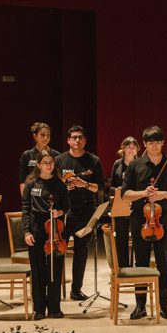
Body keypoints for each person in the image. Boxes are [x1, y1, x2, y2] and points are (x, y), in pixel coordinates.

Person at [121, 127, 167, 320]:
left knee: (164, 262)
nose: (154, 146)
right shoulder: (135, 165)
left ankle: (164, 305)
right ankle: (140, 306)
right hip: (140, 220)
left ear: (163, 143)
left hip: (164, 220)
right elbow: (125, 194)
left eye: (157, 142)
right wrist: (143, 193)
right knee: (140, 262)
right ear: (145, 144)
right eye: (150, 143)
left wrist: (164, 194)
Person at [54, 126, 104, 301]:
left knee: (81, 252)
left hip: (85, 211)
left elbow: (99, 188)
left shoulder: (94, 161)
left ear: (85, 140)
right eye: (74, 137)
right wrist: (63, 187)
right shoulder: (59, 160)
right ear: (68, 140)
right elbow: (51, 185)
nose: (77, 140)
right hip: (63, 212)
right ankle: (54, 290)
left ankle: (76, 290)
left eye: (80, 138)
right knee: (58, 250)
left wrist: (85, 185)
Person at [22, 151, 69, 320]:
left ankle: (54, 308)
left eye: (51, 162)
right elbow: (26, 209)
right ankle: (39, 309)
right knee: (38, 270)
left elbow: (67, 207)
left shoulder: (59, 184)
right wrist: (26, 232)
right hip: (36, 230)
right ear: (39, 165)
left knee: (55, 270)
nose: (49, 165)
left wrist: (59, 212)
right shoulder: (31, 184)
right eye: (45, 162)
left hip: (55, 231)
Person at [107, 137, 139, 268]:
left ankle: (139, 267)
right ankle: (123, 267)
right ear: (123, 149)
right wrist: (118, 190)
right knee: (121, 237)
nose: (131, 149)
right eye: (128, 146)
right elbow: (111, 186)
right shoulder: (117, 164)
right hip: (121, 203)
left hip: (136, 204)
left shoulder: (140, 164)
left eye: (134, 147)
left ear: (137, 149)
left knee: (138, 237)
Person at [18, 122, 59, 197]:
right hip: (33, 193)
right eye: (42, 135)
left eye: (48, 135)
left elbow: (58, 177)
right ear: (35, 136)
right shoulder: (27, 155)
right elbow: (23, 179)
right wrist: (25, 198)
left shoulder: (56, 155)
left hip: (51, 193)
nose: (46, 138)